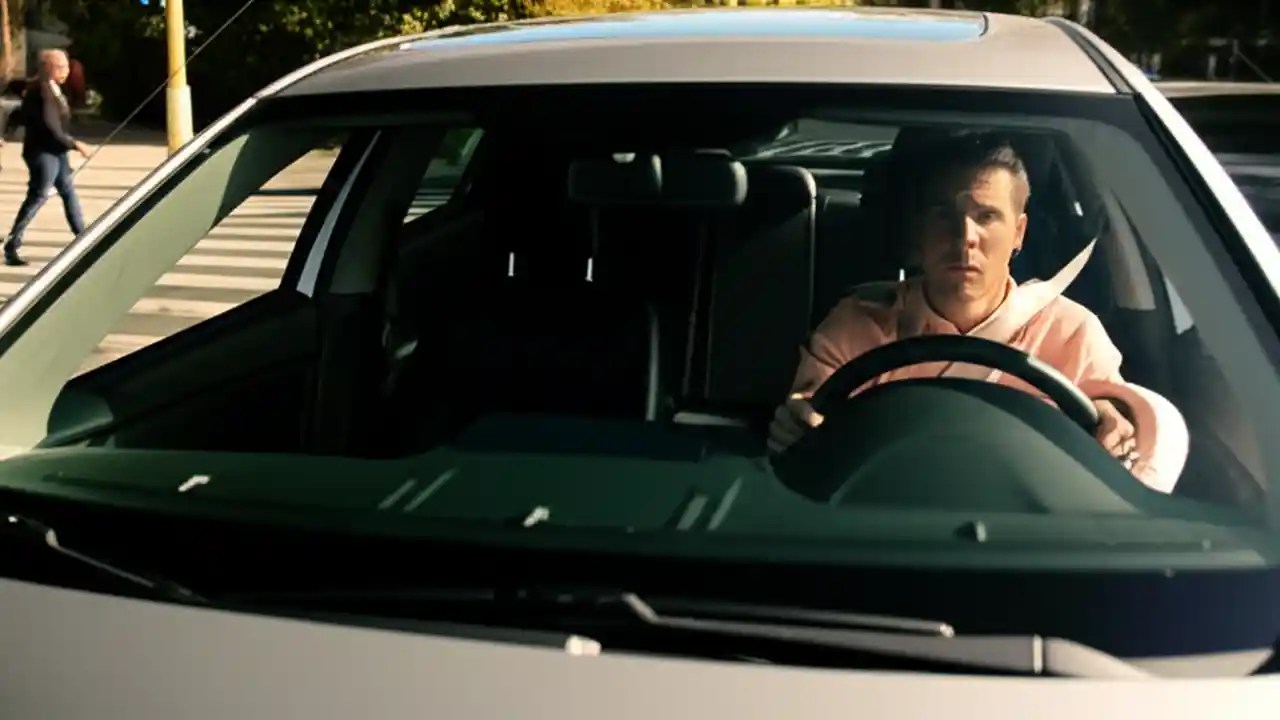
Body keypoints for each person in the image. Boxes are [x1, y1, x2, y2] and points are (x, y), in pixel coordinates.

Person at [767, 132, 1184, 492]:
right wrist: (796, 423)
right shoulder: (857, 325)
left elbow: (1109, 409)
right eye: (943, 215)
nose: (965, 236)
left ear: (1018, 232)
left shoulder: (1071, 332)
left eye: (986, 216)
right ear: (918, 230)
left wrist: (1110, 422)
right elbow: (808, 410)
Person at [3, 49, 91, 267]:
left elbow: (19, 115)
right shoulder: (41, 92)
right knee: (39, 194)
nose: (66, 71)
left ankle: (84, 238)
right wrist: (74, 143)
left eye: (67, 66)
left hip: (56, 151)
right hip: (42, 153)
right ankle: (12, 244)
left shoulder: (51, 88)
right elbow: (50, 126)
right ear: (48, 68)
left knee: (68, 191)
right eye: (60, 67)